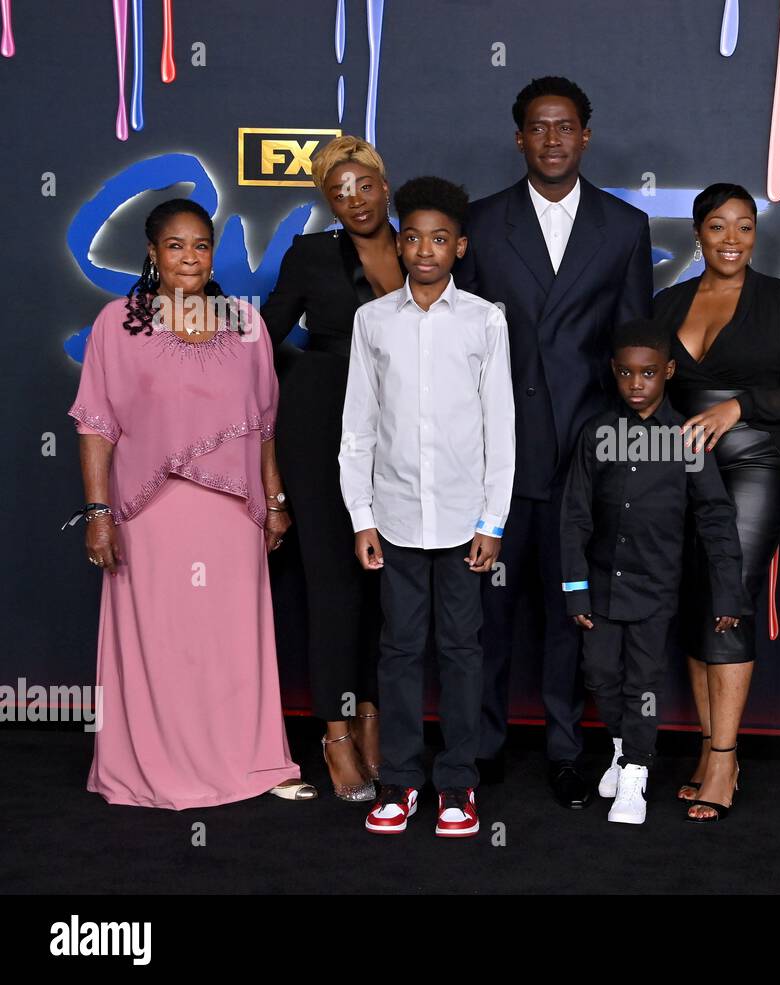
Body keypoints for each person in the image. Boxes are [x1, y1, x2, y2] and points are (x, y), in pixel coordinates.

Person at [69, 198, 314, 809]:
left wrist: (276, 499)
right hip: (150, 516)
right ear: (152, 254)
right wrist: (97, 513)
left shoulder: (244, 324)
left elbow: (263, 424)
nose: (189, 257)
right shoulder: (117, 322)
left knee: (231, 645)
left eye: (200, 245)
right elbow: (96, 424)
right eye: (175, 245)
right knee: (164, 645)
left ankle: (245, 761)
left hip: (231, 516)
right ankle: (156, 767)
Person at [456, 76, 652, 809]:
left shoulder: (624, 226)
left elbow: (632, 346)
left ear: (585, 136)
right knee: (488, 613)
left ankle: (569, 752)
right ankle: (482, 744)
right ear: (519, 139)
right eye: (538, 127)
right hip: (497, 459)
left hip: (582, 458)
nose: (552, 139)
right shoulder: (481, 221)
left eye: (565, 126)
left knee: (575, 616)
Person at [341, 176, 514, 837]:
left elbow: (501, 427)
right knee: (401, 650)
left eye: (439, 238)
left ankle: (458, 785)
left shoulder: (484, 320)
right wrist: (362, 515)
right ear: (399, 241)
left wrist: (491, 521)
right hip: (398, 520)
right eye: (411, 236)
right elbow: (358, 425)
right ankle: (402, 780)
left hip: (466, 522)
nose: (423, 249)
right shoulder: (372, 321)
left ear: (459, 247)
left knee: (463, 651)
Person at [651, 183, 780, 821]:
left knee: (728, 601)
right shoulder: (667, 303)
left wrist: (741, 405)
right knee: (696, 602)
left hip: (756, 464)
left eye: (744, 227)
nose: (731, 239)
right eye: (718, 226)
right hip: (680, 472)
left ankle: (725, 758)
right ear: (697, 233)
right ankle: (709, 748)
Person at [261, 135, 404, 802]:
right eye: (337, 192)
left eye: (363, 186)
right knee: (333, 582)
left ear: (383, 183)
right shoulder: (311, 253)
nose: (353, 201)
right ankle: (338, 732)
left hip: (402, 432)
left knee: (391, 584)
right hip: (321, 428)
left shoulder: (420, 246)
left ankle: (376, 717)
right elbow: (263, 340)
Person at [560, 320, 745, 825]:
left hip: (657, 587)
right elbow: (574, 514)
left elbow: (715, 517)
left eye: (647, 373)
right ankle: (622, 749)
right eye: (625, 373)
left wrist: (729, 593)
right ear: (614, 373)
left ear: (667, 371)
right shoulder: (596, 433)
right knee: (599, 674)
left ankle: (636, 775)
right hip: (598, 585)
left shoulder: (686, 439)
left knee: (643, 682)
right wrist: (575, 589)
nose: (636, 384)